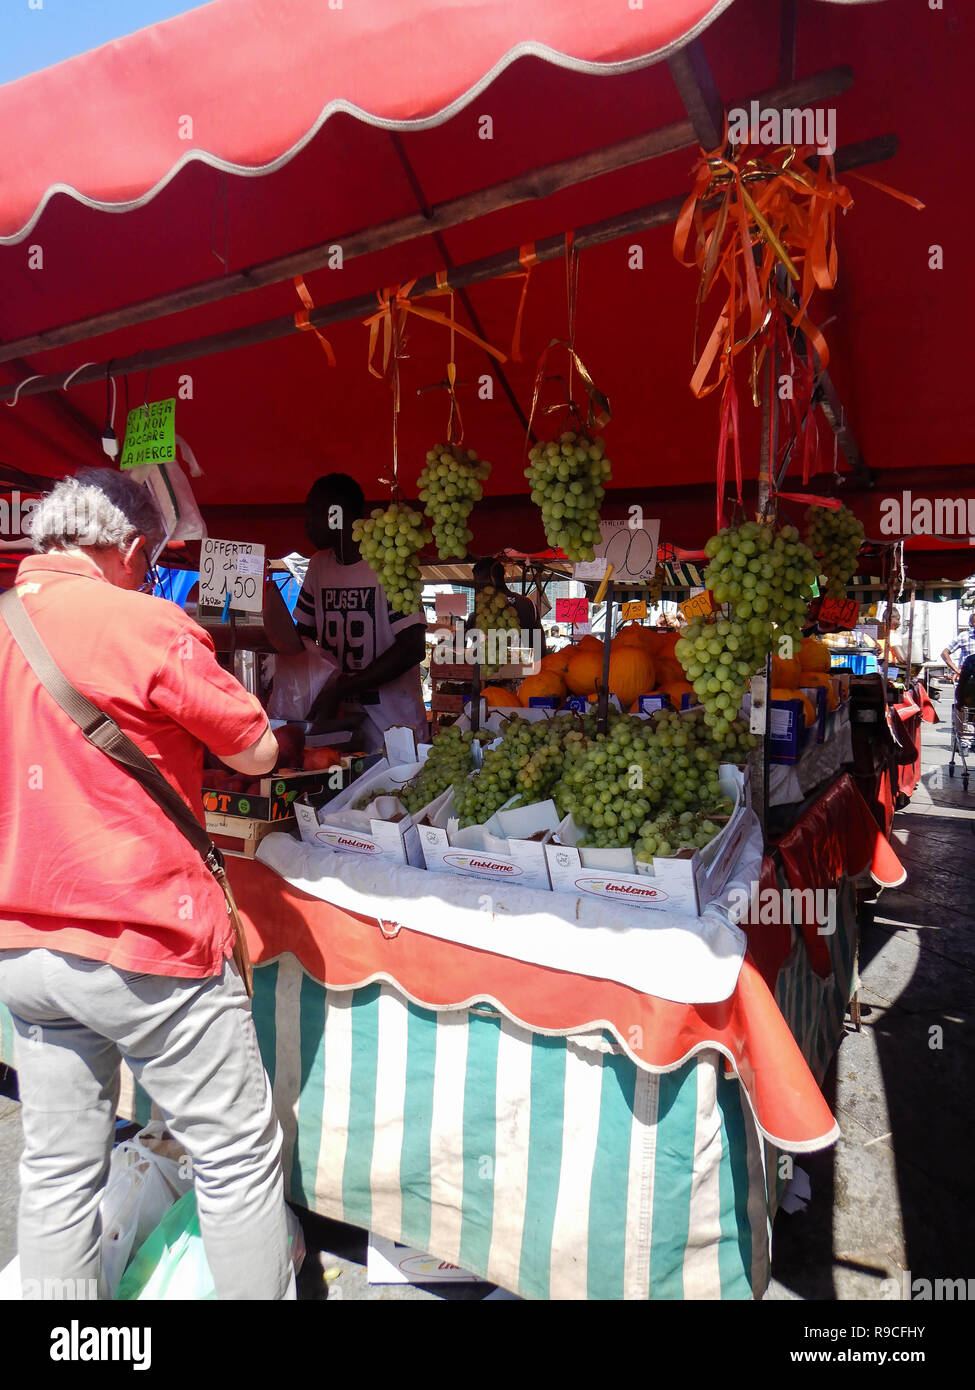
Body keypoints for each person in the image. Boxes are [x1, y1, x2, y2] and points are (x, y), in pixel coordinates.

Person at [0, 469, 294, 1300]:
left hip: (21, 946)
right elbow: (258, 750)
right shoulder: (143, 623)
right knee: (235, 1156)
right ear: (132, 550)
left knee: (56, 1170)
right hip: (146, 937)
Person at [296, 473, 427, 750]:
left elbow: (413, 646)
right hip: (340, 734)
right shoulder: (318, 566)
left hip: (395, 735)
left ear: (336, 515)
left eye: (312, 513)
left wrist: (345, 687)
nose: (306, 524)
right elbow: (302, 636)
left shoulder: (389, 563)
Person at [469, 556, 546, 661]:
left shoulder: (485, 610)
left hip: (497, 671)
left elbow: (478, 652)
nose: (478, 588)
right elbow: (540, 649)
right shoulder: (528, 604)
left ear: (490, 580)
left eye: (478, 583)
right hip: (525, 671)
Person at [941, 610, 975, 682]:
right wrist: (957, 671)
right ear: (972, 623)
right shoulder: (964, 636)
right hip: (968, 679)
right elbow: (944, 653)